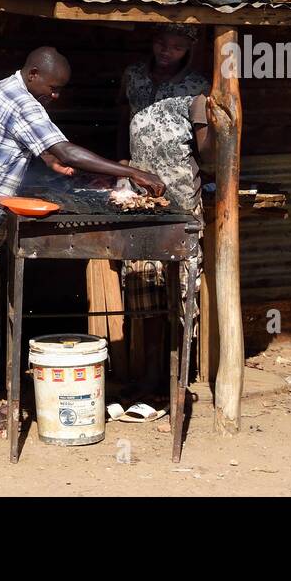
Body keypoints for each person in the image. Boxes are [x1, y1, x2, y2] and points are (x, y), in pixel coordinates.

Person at [0, 46, 164, 436]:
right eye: (53, 89)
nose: (56, 97)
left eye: (60, 91)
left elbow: (30, 148)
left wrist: (50, 161)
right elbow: (65, 148)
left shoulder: (5, 88)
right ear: (34, 73)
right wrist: (133, 172)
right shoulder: (22, 101)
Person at [114, 25, 214, 393]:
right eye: (160, 43)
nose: (166, 51)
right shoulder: (134, 76)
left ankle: (179, 375)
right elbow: (122, 121)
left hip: (181, 200)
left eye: (176, 45)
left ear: (189, 47)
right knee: (143, 285)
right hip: (138, 200)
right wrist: (121, 168)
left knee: (183, 285)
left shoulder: (197, 85)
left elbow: (207, 150)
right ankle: (151, 374)